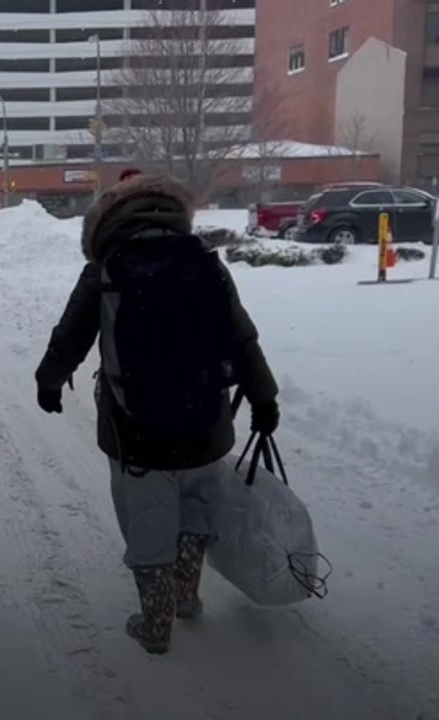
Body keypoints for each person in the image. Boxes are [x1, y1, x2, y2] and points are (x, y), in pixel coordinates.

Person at [34, 174, 279, 655]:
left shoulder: (105, 269)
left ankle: (156, 623)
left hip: (134, 429)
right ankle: (186, 595)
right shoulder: (203, 261)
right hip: (205, 420)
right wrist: (264, 399)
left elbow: (70, 336)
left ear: (108, 219)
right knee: (194, 507)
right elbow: (241, 337)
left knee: (147, 516)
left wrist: (49, 382)